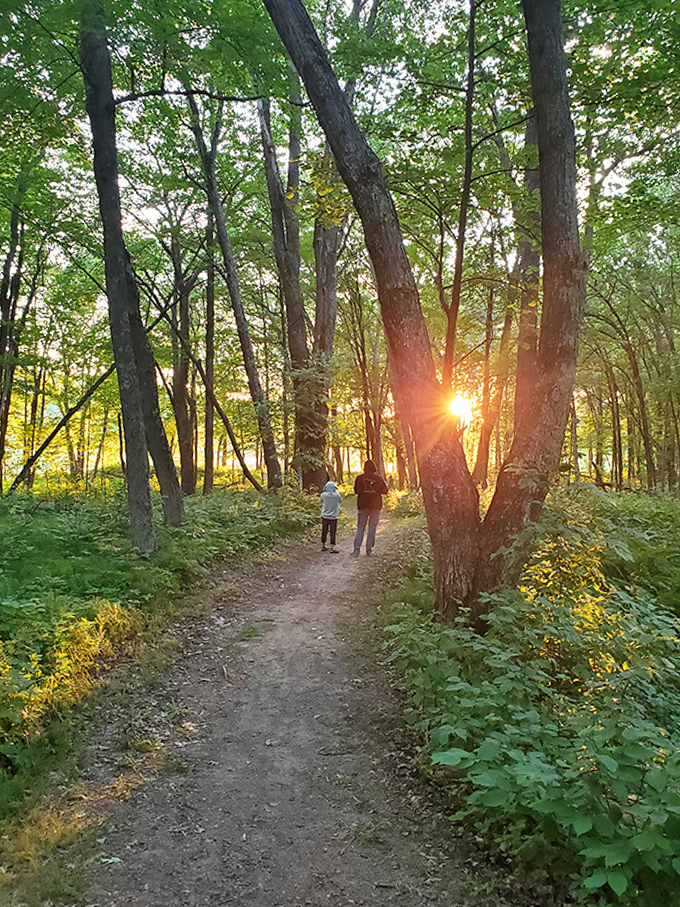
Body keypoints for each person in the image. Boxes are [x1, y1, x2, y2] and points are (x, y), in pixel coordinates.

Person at [352, 459, 388, 556]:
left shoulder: (359, 478)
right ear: (374, 467)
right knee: (372, 528)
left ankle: (356, 549)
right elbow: (385, 490)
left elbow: (356, 491)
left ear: (364, 467)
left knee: (360, 527)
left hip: (362, 505)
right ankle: (369, 550)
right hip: (376, 506)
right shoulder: (378, 478)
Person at [320, 480, 342, 553]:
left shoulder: (323, 495)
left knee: (324, 531)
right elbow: (340, 501)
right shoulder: (337, 495)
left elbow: (321, 501)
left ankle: (323, 545)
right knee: (333, 532)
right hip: (333, 517)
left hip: (325, 516)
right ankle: (332, 547)